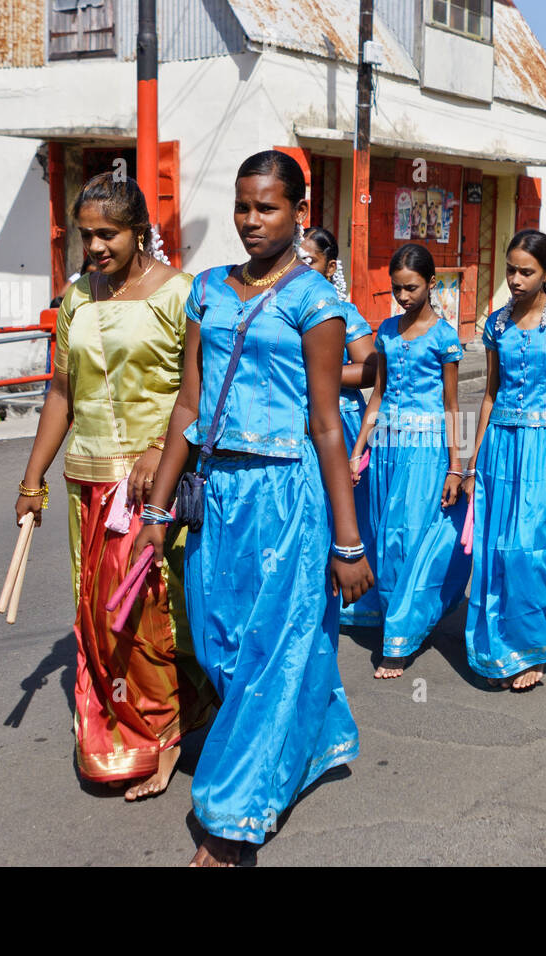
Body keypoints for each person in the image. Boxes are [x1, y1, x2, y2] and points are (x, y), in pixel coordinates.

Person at [132, 150, 372, 866]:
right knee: (219, 647)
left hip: (288, 498)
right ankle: (302, 739)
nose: (250, 220)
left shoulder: (316, 304)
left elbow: (327, 425)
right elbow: (188, 404)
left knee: (272, 653)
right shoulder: (206, 291)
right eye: (242, 206)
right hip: (220, 498)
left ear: (300, 213)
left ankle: (235, 819)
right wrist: (159, 508)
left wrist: (349, 542)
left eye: (267, 207)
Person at [15, 173, 213, 801]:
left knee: (154, 607)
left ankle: (169, 729)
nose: (95, 247)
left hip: (152, 482)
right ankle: (126, 729)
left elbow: (198, 390)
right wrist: (32, 480)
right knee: (100, 616)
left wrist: (161, 448)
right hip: (86, 479)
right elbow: (62, 391)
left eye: (108, 234)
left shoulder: (182, 295)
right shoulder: (77, 298)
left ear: (139, 233)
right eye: (86, 235)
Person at [462, 229, 546, 691]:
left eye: (526, 272)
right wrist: (471, 459)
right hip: (500, 444)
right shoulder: (495, 325)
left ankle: (537, 642)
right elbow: (489, 394)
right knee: (497, 550)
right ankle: (510, 646)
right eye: (510, 270)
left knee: (530, 549)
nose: (515, 280)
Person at [351, 243, 470, 679]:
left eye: (411, 288)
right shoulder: (384, 330)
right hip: (385, 449)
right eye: (396, 289)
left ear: (431, 285)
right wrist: (358, 450)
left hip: (427, 451)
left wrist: (458, 467)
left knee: (409, 538)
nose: (402, 297)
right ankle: (398, 617)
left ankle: (398, 640)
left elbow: (454, 405)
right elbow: (377, 395)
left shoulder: (444, 337)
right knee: (384, 537)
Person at [299, 226, 381, 627]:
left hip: (339, 421)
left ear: (331, 267)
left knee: (341, 509)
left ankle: (351, 593)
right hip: (294, 422)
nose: (300, 268)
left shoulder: (341, 311)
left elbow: (370, 368)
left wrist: (322, 374)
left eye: (309, 261)